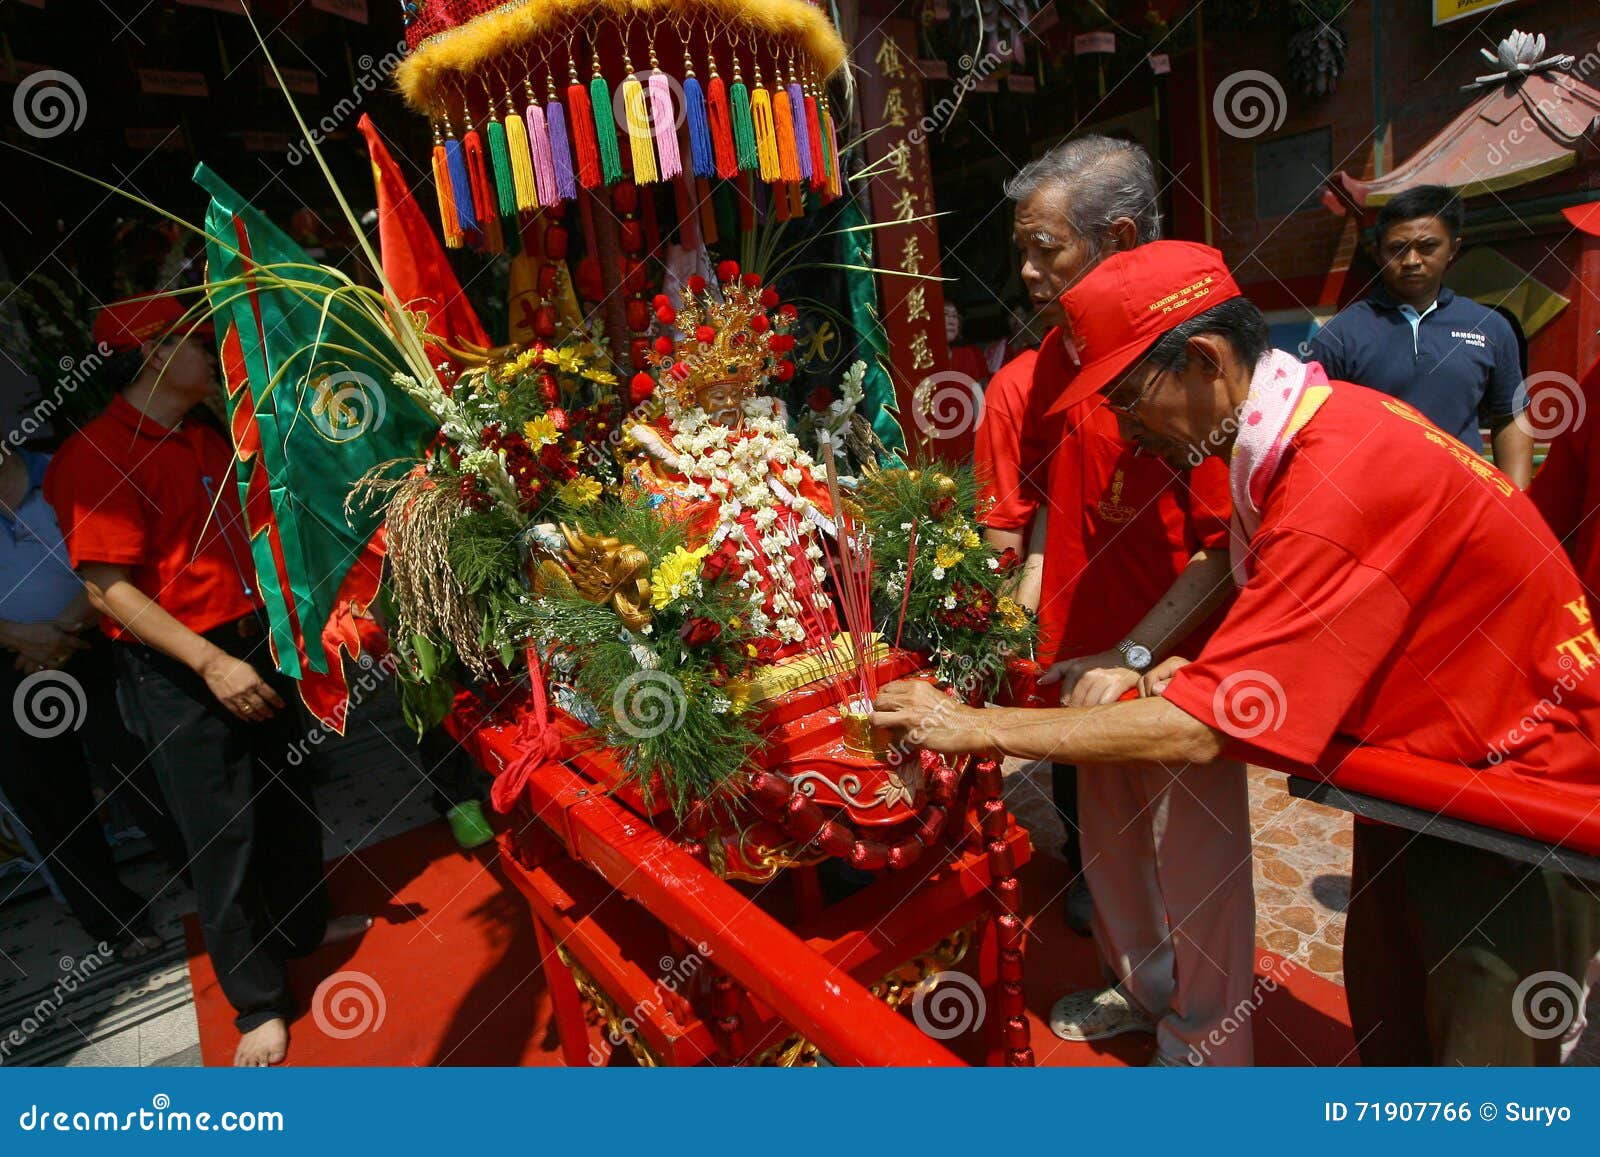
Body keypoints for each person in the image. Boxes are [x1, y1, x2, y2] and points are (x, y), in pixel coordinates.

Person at [874, 240, 1600, 1066]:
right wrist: (1179, 662)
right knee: (1393, 1029)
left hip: (1517, 801)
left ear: (1204, 361)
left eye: (1127, 399)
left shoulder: (1335, 473)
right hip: (1421, 775)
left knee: (1480, 1072)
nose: (1127, 429)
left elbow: (1202, 732)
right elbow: (1271, 601)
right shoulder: (1303, 430)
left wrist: (976, 724)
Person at [973, 138, 1252, 1064]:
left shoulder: (1186, 362)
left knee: (1195, 866)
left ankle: (1210, 1036)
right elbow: (1061, 504)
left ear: (1118, 234)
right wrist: (1034, 606)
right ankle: (1143, 991)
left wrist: (1136, 654)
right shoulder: (1052, 363)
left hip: (1170, 664)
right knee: (1114, 859)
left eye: (1044, 246)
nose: (1025, 269)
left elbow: (1222, 546)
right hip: (1087, 657)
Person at [44, 294, 370, 1066]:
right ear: (155, 354)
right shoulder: (92, 455)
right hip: (183, 665)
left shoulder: (206, 433)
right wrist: (210, 661)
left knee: (288, 798)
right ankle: (258, 1002)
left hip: (252, 639)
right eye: (200, 339)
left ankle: (298, 931)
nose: (217, 351)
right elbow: (106, 590)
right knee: (223, 832)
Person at [0, 443, 162, 959]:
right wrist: (21, 640)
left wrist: (63, 631)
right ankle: (114, 918)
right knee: (45, 791)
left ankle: (210, 874)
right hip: (11, 659)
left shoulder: (64, 469)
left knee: (140, 759)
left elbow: (116, 552)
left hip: (94, 634)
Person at [1306, 184, 1533, 486]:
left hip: (1464, 506)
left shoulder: (1490, 327)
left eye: (1427, 247)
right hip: (1377, 510)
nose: (1411, 260)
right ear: (1377, 254)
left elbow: (1511, 415)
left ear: (1453, 248)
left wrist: (1514, 501)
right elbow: (1313, 429)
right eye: (1397, 249)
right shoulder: (1339, 336)